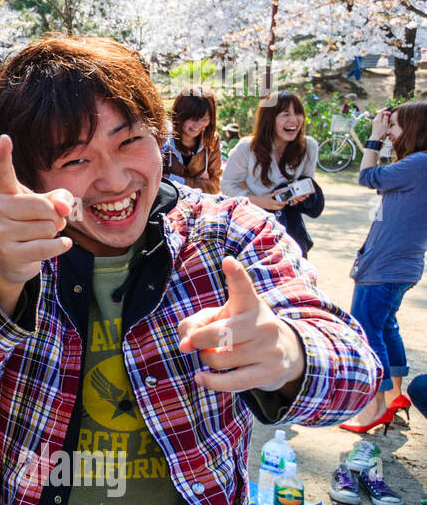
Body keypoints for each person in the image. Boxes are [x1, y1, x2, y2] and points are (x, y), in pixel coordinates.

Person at [0, 36, 380, 505]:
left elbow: (356, 375)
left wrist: (289, 353)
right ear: (27, 176)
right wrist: (1, 276)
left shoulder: (230, 235)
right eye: (74, 160)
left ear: (158, 133)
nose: (113, 179)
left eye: (130, 140)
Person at [339, 102, 427, 434]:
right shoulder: (418, 165)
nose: (390, 131)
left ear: (416, 128)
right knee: (386, 327)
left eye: (396, 126)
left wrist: (374, 138)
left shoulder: (419, 163)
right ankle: (395, 396)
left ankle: (375, 406)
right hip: (400, 266)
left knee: (366, 329)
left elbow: (366, 176)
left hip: (385, 266)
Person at [221, 90, 323, 256]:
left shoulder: (309, 146)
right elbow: (227, 186)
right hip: (253, 226)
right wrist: (259, 201)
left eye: (298, 113)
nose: (294, 120)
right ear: (269, 119)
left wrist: (301, 193)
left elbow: (307, 181)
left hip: (290, 228)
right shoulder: (246, 148)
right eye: (285, 114)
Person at [162, 87, 222, 193]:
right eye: (194, 119)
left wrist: (172, 178)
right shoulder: (163, 139)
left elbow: (215, 186)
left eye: (205, 119)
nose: (198, 126)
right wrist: (199, 182)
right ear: (179, 115)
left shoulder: (212, 141)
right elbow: (156, 181)